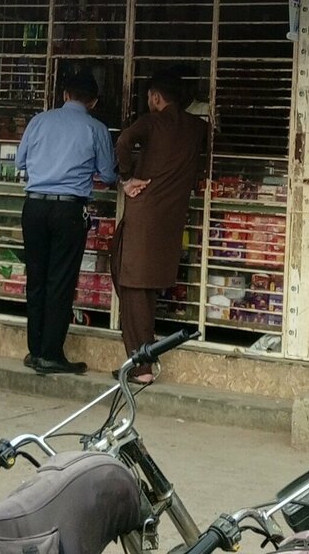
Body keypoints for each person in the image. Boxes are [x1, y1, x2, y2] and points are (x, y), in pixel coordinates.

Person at [17, 70, 117, 375]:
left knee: (36, 279)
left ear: (64, 95)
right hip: (68, 211)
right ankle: (51, 354)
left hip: (34, 206)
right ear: (94, 101)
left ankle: (35, 351)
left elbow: (20, 162)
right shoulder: (96, 128)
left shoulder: (38, 121)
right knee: (60, 281)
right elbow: (108, 175)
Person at [111, 70, 207, 383]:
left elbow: (123, 141)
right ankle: (143, 358)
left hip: (143, 217)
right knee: (146, 289)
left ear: (155, 97)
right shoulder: (197, 127)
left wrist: (127, 178)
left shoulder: (151, 122)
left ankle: (141, 369)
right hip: (171, 220)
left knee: (132, 288)